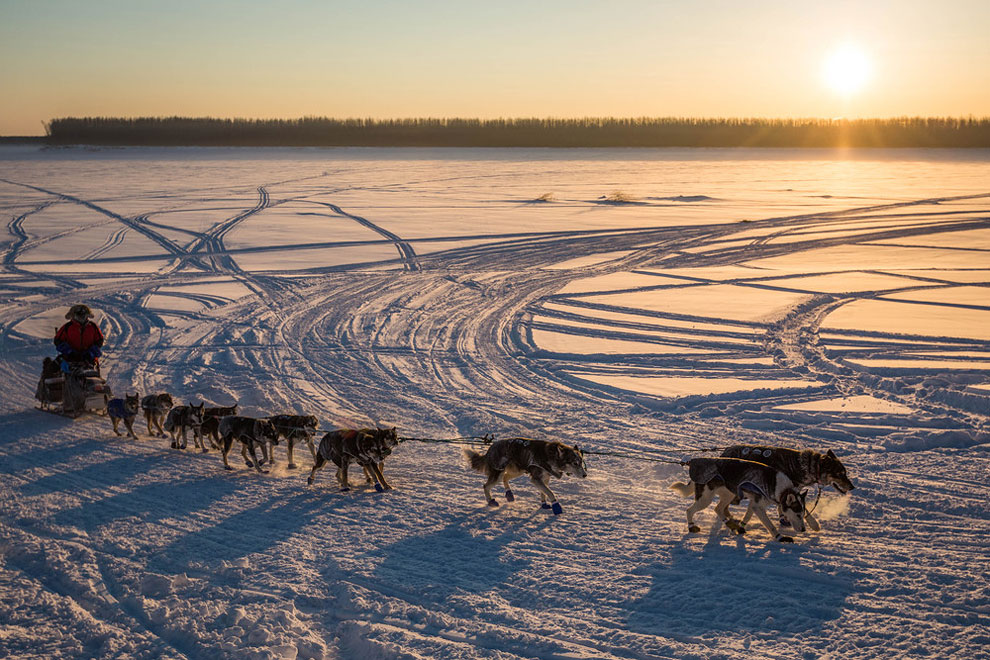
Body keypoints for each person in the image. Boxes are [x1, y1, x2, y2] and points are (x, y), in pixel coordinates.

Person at [54, 304, 104, 368]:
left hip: (88, 357)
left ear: (87, 315)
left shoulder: (93, 326)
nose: (81, 317)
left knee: (92, 369)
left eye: (83, 315)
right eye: (78, 315)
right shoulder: (67, 327)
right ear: (73, 315)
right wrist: (69, 351)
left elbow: (99, 341)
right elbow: (58, 341)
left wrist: (91, 352)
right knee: (54, 366)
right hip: (70, 356)